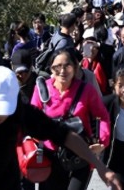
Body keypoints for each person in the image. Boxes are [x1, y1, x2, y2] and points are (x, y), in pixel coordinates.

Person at [31, 49, 112, 190]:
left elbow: (102, 116)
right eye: (57, 66)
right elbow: (31, 119)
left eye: (67, 66)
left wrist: (102, 142)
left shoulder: (87, 90)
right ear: (51, 68)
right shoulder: (41, 89)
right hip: (51, 156)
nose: (62, 71)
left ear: (75, 68)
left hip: (80, 155)